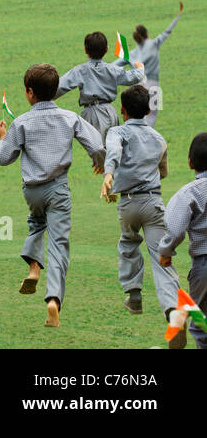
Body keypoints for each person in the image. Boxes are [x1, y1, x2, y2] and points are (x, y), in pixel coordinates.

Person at [0, 64, 105, 328]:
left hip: (32, 191)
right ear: (55, 91)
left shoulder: (21, 122)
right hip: (58, 189)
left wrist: (1, 137)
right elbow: (97, 144)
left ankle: (33, 267)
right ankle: (53, 300)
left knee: (36, 223)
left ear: (29, 93)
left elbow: (3, 158)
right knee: (58, 245)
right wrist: (99, 162)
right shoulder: (69, 118)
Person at [100, 85, 180, 340]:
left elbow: (113, 152)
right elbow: (163, 172)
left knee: (128, 243)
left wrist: (110, 175)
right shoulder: (159, 139)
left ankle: (134, 295)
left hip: (128, 203)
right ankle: (171, 310)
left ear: (122, 110)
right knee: (161, 257)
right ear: (148, 110)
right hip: (154, 203)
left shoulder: (118, 131)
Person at [157, 132, 207, 349]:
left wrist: (166, 251)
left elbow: (175, 229)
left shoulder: (189, 193)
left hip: (204, 267)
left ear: (190, 163)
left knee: (202, 326)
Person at [55, 31, 145, 141]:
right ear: (106, 49)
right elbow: (134, 77)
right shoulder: (112, 70)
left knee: (100, 150)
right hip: (110, 112)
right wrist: (140, 68)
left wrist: (44, 98)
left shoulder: (79, 71)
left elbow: (58, 88)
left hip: (93, 112)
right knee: (112, 147)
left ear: (86, 50)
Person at [115, 2, 183, 127]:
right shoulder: (154, 43)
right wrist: (178, 15)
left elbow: (114, 65)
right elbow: (167, 31)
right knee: (152, 119)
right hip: (154, 86)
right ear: (146, 34)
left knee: (134, 119)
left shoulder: (131, 53)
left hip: (137, 88)